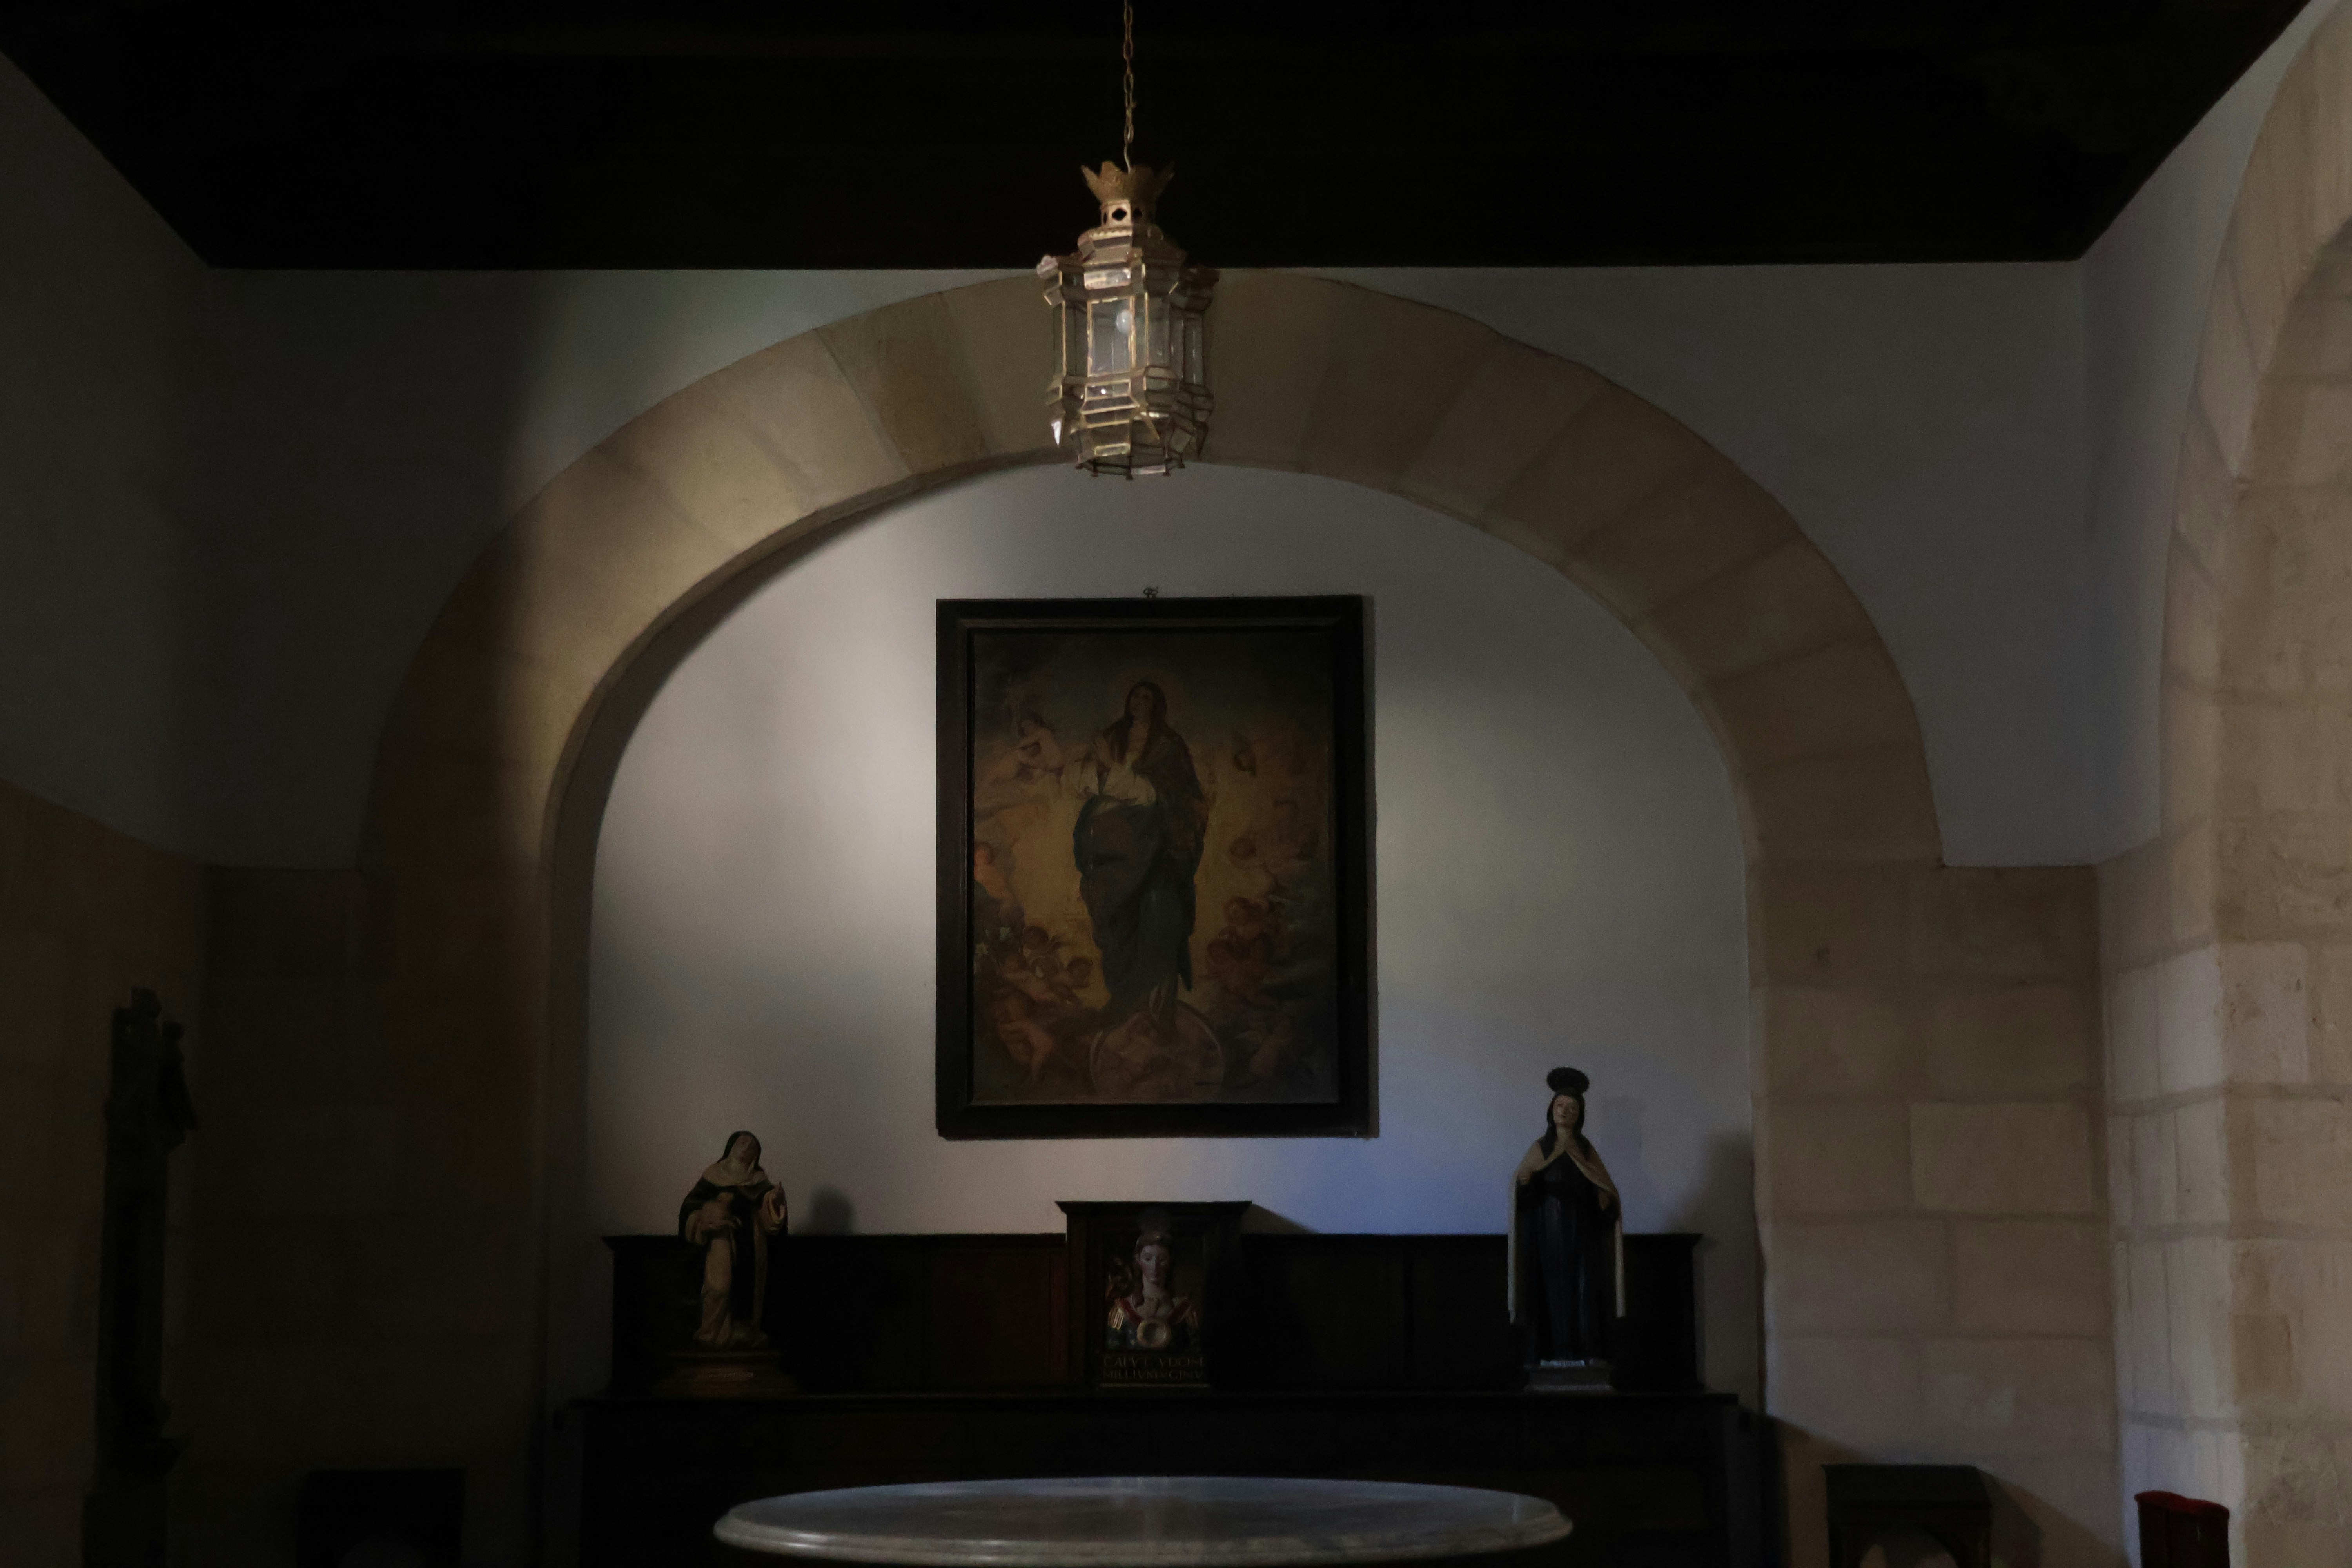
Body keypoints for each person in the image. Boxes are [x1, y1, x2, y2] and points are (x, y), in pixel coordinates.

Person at [1508, 1069, 1623, 1366]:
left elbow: (1604, 1188)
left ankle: (1588, 1350)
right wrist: (1526, 1183)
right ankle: (1556, 1350)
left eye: (1573, 1108)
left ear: (1580, 1116)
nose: (1565, 1111)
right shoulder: (1541, 1148)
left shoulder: (1585, 1150)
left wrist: (1604, 1200)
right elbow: (1523, 1196)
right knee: (1553, 1288)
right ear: (1551, 1110)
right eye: (1560, 1105)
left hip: (1584, 1230)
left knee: (1586, 1288)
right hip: (1549, 1229)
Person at [678, 1131, 789, 1350]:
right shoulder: (713, 1177)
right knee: (718, 1287)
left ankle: (745, 1333)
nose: (746, 1149)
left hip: (753, 1244)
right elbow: (690, 1209)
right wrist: (706, 1217)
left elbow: (771, 1223)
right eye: (742, 1143)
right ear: (731, 1148)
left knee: (750, 1288)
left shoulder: (760, 1184)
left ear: (756, 1156)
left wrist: (774, 1204)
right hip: (721, 1241)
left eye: (752, 1147)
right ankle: (711, 1334)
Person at [1107, 1221, 1199, 1352]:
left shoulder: (1184, 1310)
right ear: (1138, 1260)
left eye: (1162, 1260)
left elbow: (1195, 1354)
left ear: (1170, 1261)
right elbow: (1112, 1355)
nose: (1155, 1267)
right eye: (1148, 1259)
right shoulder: (1123, 1309)